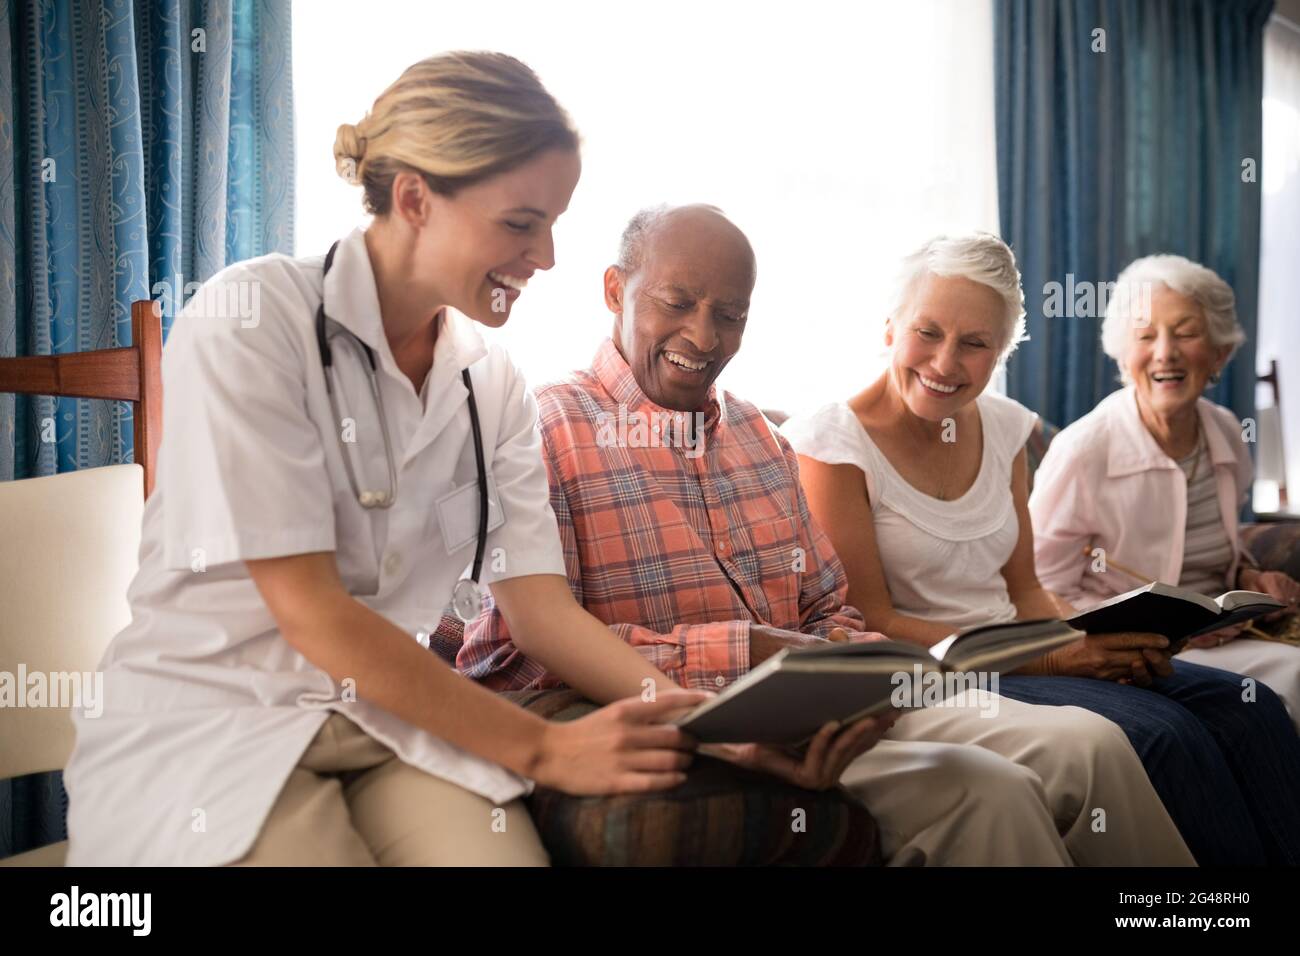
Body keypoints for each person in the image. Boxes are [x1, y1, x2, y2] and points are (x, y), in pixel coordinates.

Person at [62, 52, 710, 867]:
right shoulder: (251, 322)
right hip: (210, 721)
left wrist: (703, 719)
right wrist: (544, 752)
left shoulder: (491, 384)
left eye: (552, 223)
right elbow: (312, 611)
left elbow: (540, 610)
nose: (546, 256)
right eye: (520, 222)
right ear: (414, 199)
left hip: (385, 716)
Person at [460, 205, 1195, 866]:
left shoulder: (756, 435)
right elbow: (507, 654)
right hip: (694, 710)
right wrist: (744, 652)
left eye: (732, 314)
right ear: (616, 291)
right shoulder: (541, 427)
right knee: (989, 793)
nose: (704, 335)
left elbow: (831, 609)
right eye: (677, 303)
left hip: (826, 710)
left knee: (1091, 744)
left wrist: (847, 675)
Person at [787, 233, 1300, 865]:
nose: (947, 363)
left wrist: (1095, 645)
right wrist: (1055, 659)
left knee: (1242, 710)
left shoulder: (1005, 426)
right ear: (890, 327)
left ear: (1000, 351)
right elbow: (874, 621)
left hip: (1025, 648)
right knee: (1162, 737)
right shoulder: (831, 444)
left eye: (976, 343)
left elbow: (1027, 589)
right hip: (946, 675)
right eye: (929, 332)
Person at [1030, 254, 1300, 730]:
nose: (1165, 352)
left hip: (1226, 640)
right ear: (1122, 354)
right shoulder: (1084, 450)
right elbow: (1037, 587)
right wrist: (1112, 640)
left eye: (1186, 333)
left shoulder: (1228, 432)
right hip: (1144, 658)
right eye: (1145, 335)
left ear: (1219, 353)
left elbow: (1215, 550)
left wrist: (1250, 574)